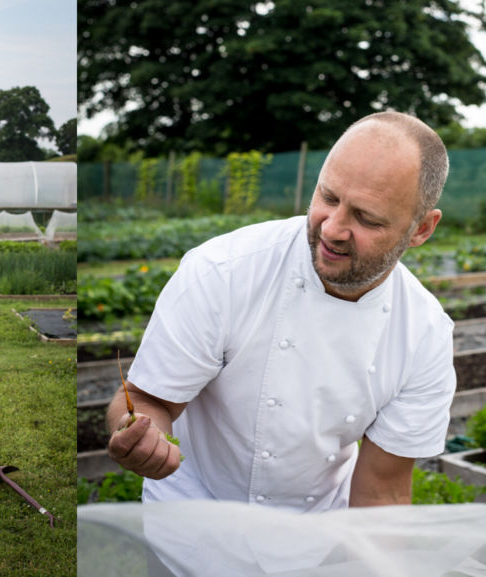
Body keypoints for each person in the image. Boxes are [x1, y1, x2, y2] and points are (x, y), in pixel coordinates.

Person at [107, 111, 456, 511]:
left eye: (366, 218)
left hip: (317, 523)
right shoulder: (224, 271)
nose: (332, 228)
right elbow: (145, 398)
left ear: (421, 229)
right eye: (328, 197)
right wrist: (140, 435)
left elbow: (383, 491)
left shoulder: (424, 334)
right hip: (194, 511)